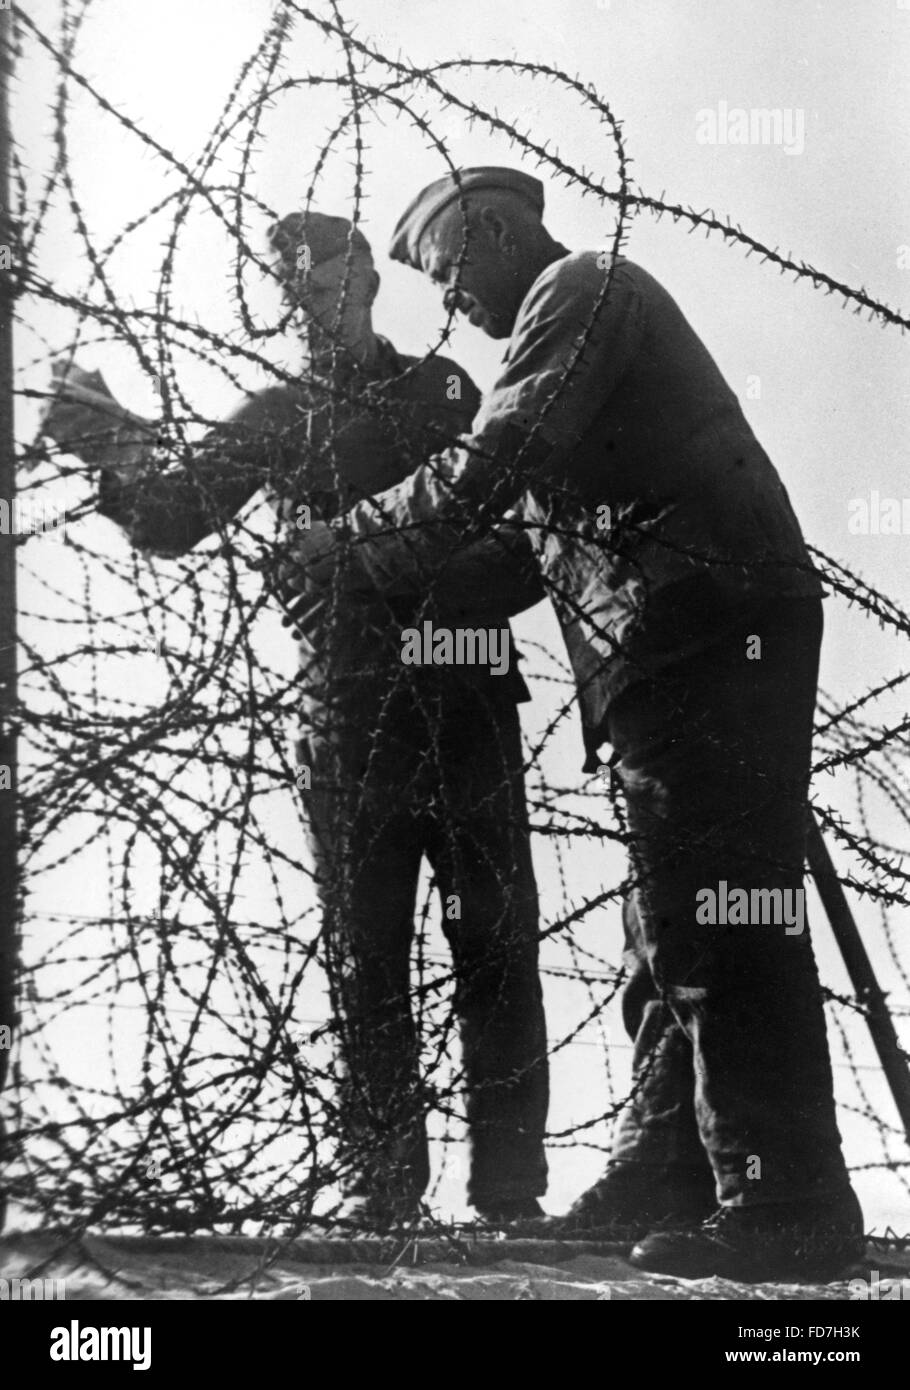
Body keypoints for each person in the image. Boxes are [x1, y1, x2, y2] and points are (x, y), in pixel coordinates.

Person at [285, 169, 864, 1280]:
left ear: (497, 235)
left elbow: (492, 464)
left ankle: (786, 1196)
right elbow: (513, 558)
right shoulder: (561, 346)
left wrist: (346, 540)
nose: (455, 308)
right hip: (673, 638)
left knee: (719, 914)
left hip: (704, 626)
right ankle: (670, 1169)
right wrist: (363, 581)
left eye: (452, 277)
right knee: (669, 924)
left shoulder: (580, 293)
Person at [39, 211, 551, 1230]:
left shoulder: (442, 393)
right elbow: (176, 515)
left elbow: (523, 533)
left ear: (362, 278)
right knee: (365, 954)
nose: (302, 302)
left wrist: (379, 566)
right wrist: (114, 442)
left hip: (464, 699)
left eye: (317, 280)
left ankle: (509, 1192)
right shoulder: (278, 414)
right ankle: (383, 1185)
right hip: (352, 713)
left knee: (494, 943)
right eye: (285, 289)